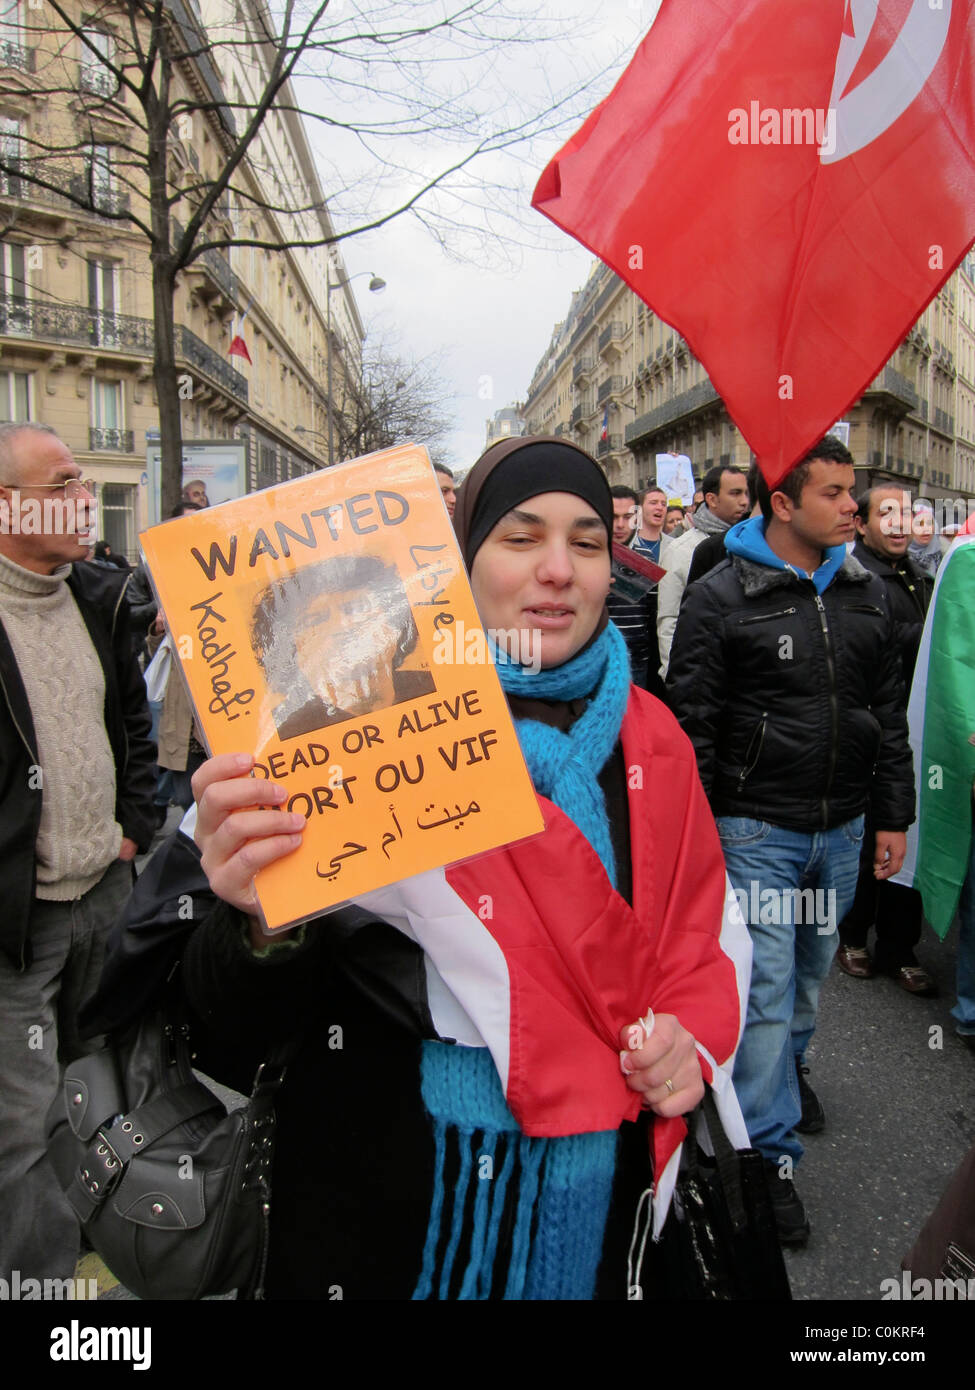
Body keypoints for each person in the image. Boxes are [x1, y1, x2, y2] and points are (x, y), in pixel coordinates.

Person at [84, 435, 750, 1300]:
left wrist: (688, 1046)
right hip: (380, 1199)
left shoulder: (652, 737)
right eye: (520, 538)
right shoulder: (339, 727)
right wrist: (255, 919)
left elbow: (702, 936)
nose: (558, 569)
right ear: (458, 561)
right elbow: (230, 1031)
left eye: (586, 542)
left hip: (606, 1200)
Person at [667, 435, 915, 1246]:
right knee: (765, 997)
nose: (854, 507)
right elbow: (691, 726)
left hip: (840, 831)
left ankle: (777, 1080)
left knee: (806, 984)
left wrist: (890, 815)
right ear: (782, 503)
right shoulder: (719, 594)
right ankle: (763, 1163)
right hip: (755, 832)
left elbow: (884, 717)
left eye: (853, 493)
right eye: (836, 494)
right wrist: (697, 839)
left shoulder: (870, 592)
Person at [0, 422, 155, 1284]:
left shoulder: (101, 594)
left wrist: (134, 821)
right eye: (59, 483)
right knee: (19, 1124)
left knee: (96, 1084)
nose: (81, 500)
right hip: (20, 920)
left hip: (105, 890)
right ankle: (43, 1282)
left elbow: (130, 721)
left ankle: (109, 1240)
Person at [836, 487, 934, 993]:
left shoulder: (923, 577)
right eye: (886, 513)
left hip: (917, 724)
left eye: (905, 512)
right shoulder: (855, 579)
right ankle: (853, 933)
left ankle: (900, 946)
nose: (898, 523)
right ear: (863, 524)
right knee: (870, 834)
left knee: (907, 829)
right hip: (872, 725)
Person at [251, 553, 436, 740]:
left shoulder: (442, 690)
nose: (343, 626)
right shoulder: (276, 735)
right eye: (315, 620)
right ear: (292, 654)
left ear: (394, 622)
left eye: (357, 608)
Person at [656, 463, 749, 678]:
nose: (744, 501)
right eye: (735, 493)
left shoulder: (755, 542)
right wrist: (676, 676)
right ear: (712, 499)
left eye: (745, 493)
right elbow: (670, 619)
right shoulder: (681, 550)